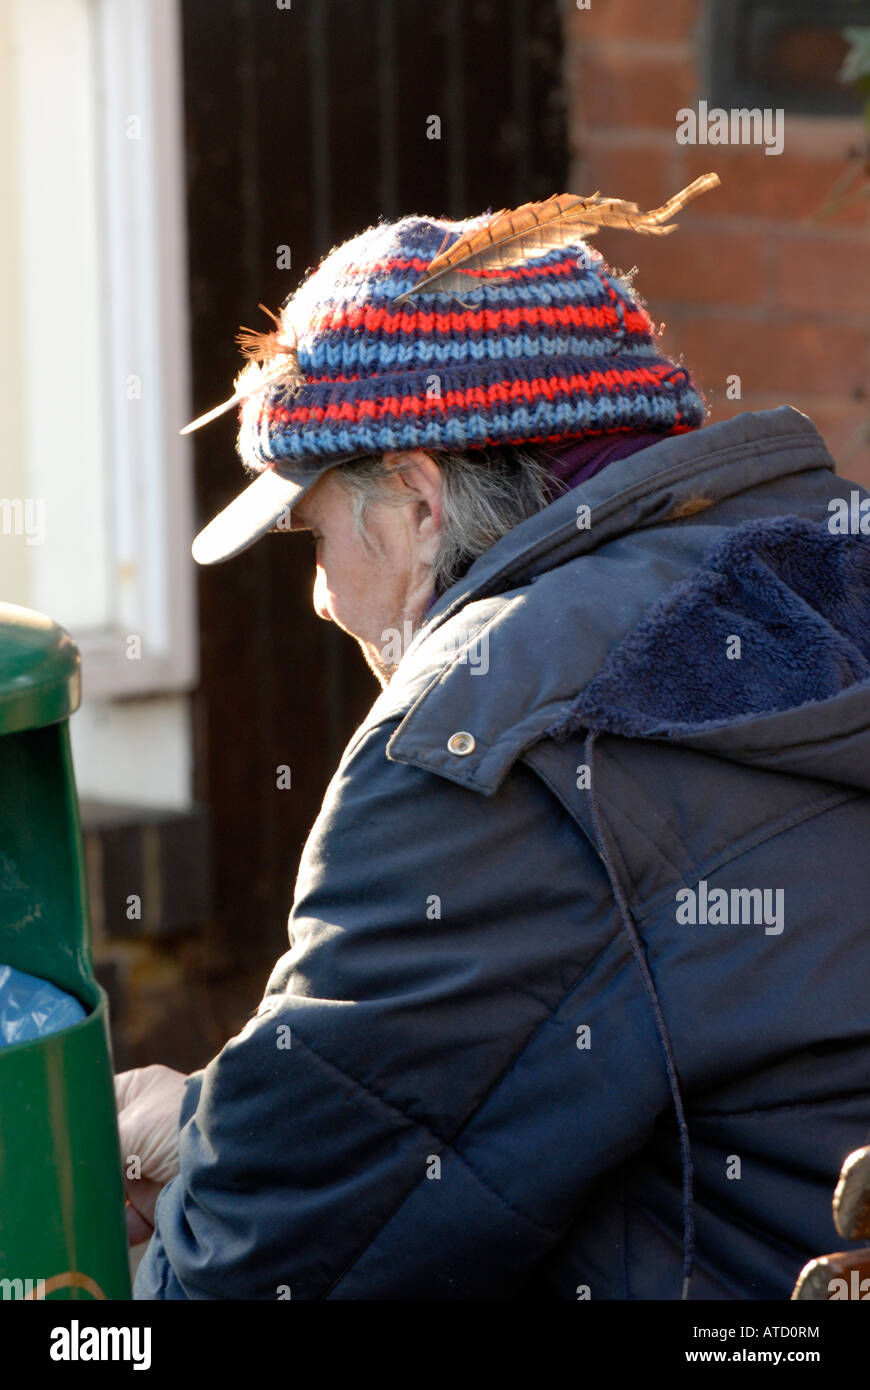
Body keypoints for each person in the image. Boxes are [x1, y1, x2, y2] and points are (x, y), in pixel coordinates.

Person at [116, 192, 870, 1300]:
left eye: (314, 533)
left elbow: (253, 1272)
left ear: (420, 505)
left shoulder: (485, 744)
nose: (322, 599)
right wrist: (212, 1122)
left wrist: (183, 1201)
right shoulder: (824, 570)